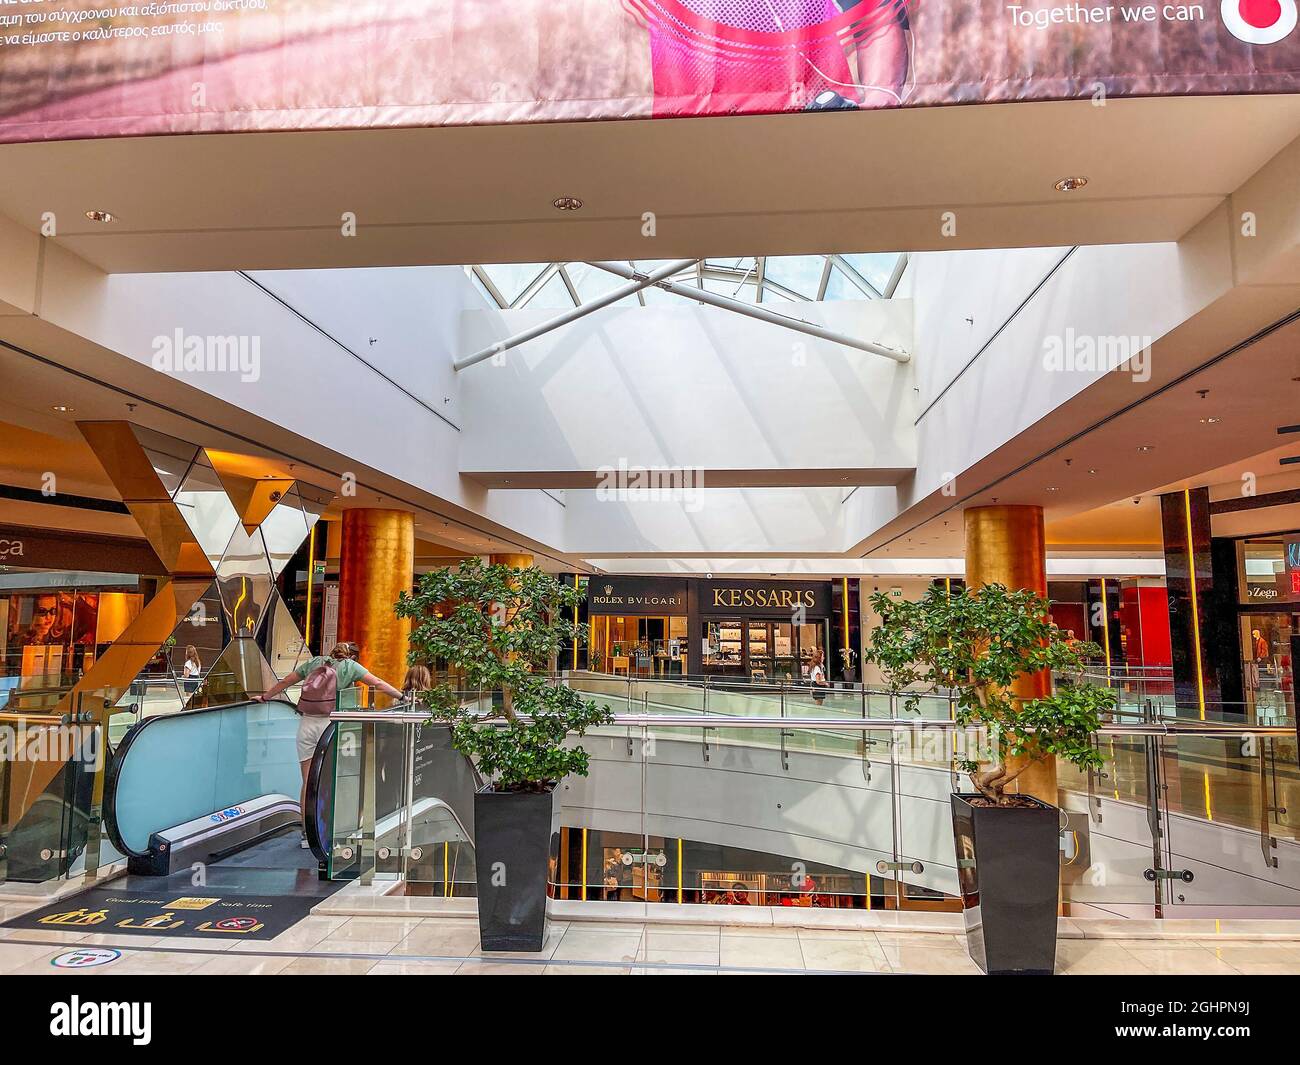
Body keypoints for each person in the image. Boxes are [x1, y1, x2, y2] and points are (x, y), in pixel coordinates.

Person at [255, 642, 402, 848]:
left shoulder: (315, 662)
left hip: (306, 725)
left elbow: (287, 681)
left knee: (308, 783)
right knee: (333, 779)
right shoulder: (350, 667)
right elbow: (377, 683)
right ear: (352, 656)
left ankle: (307, 835)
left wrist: (264, 697)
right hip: (330, 726)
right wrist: (403, 697)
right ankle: (333, 831)